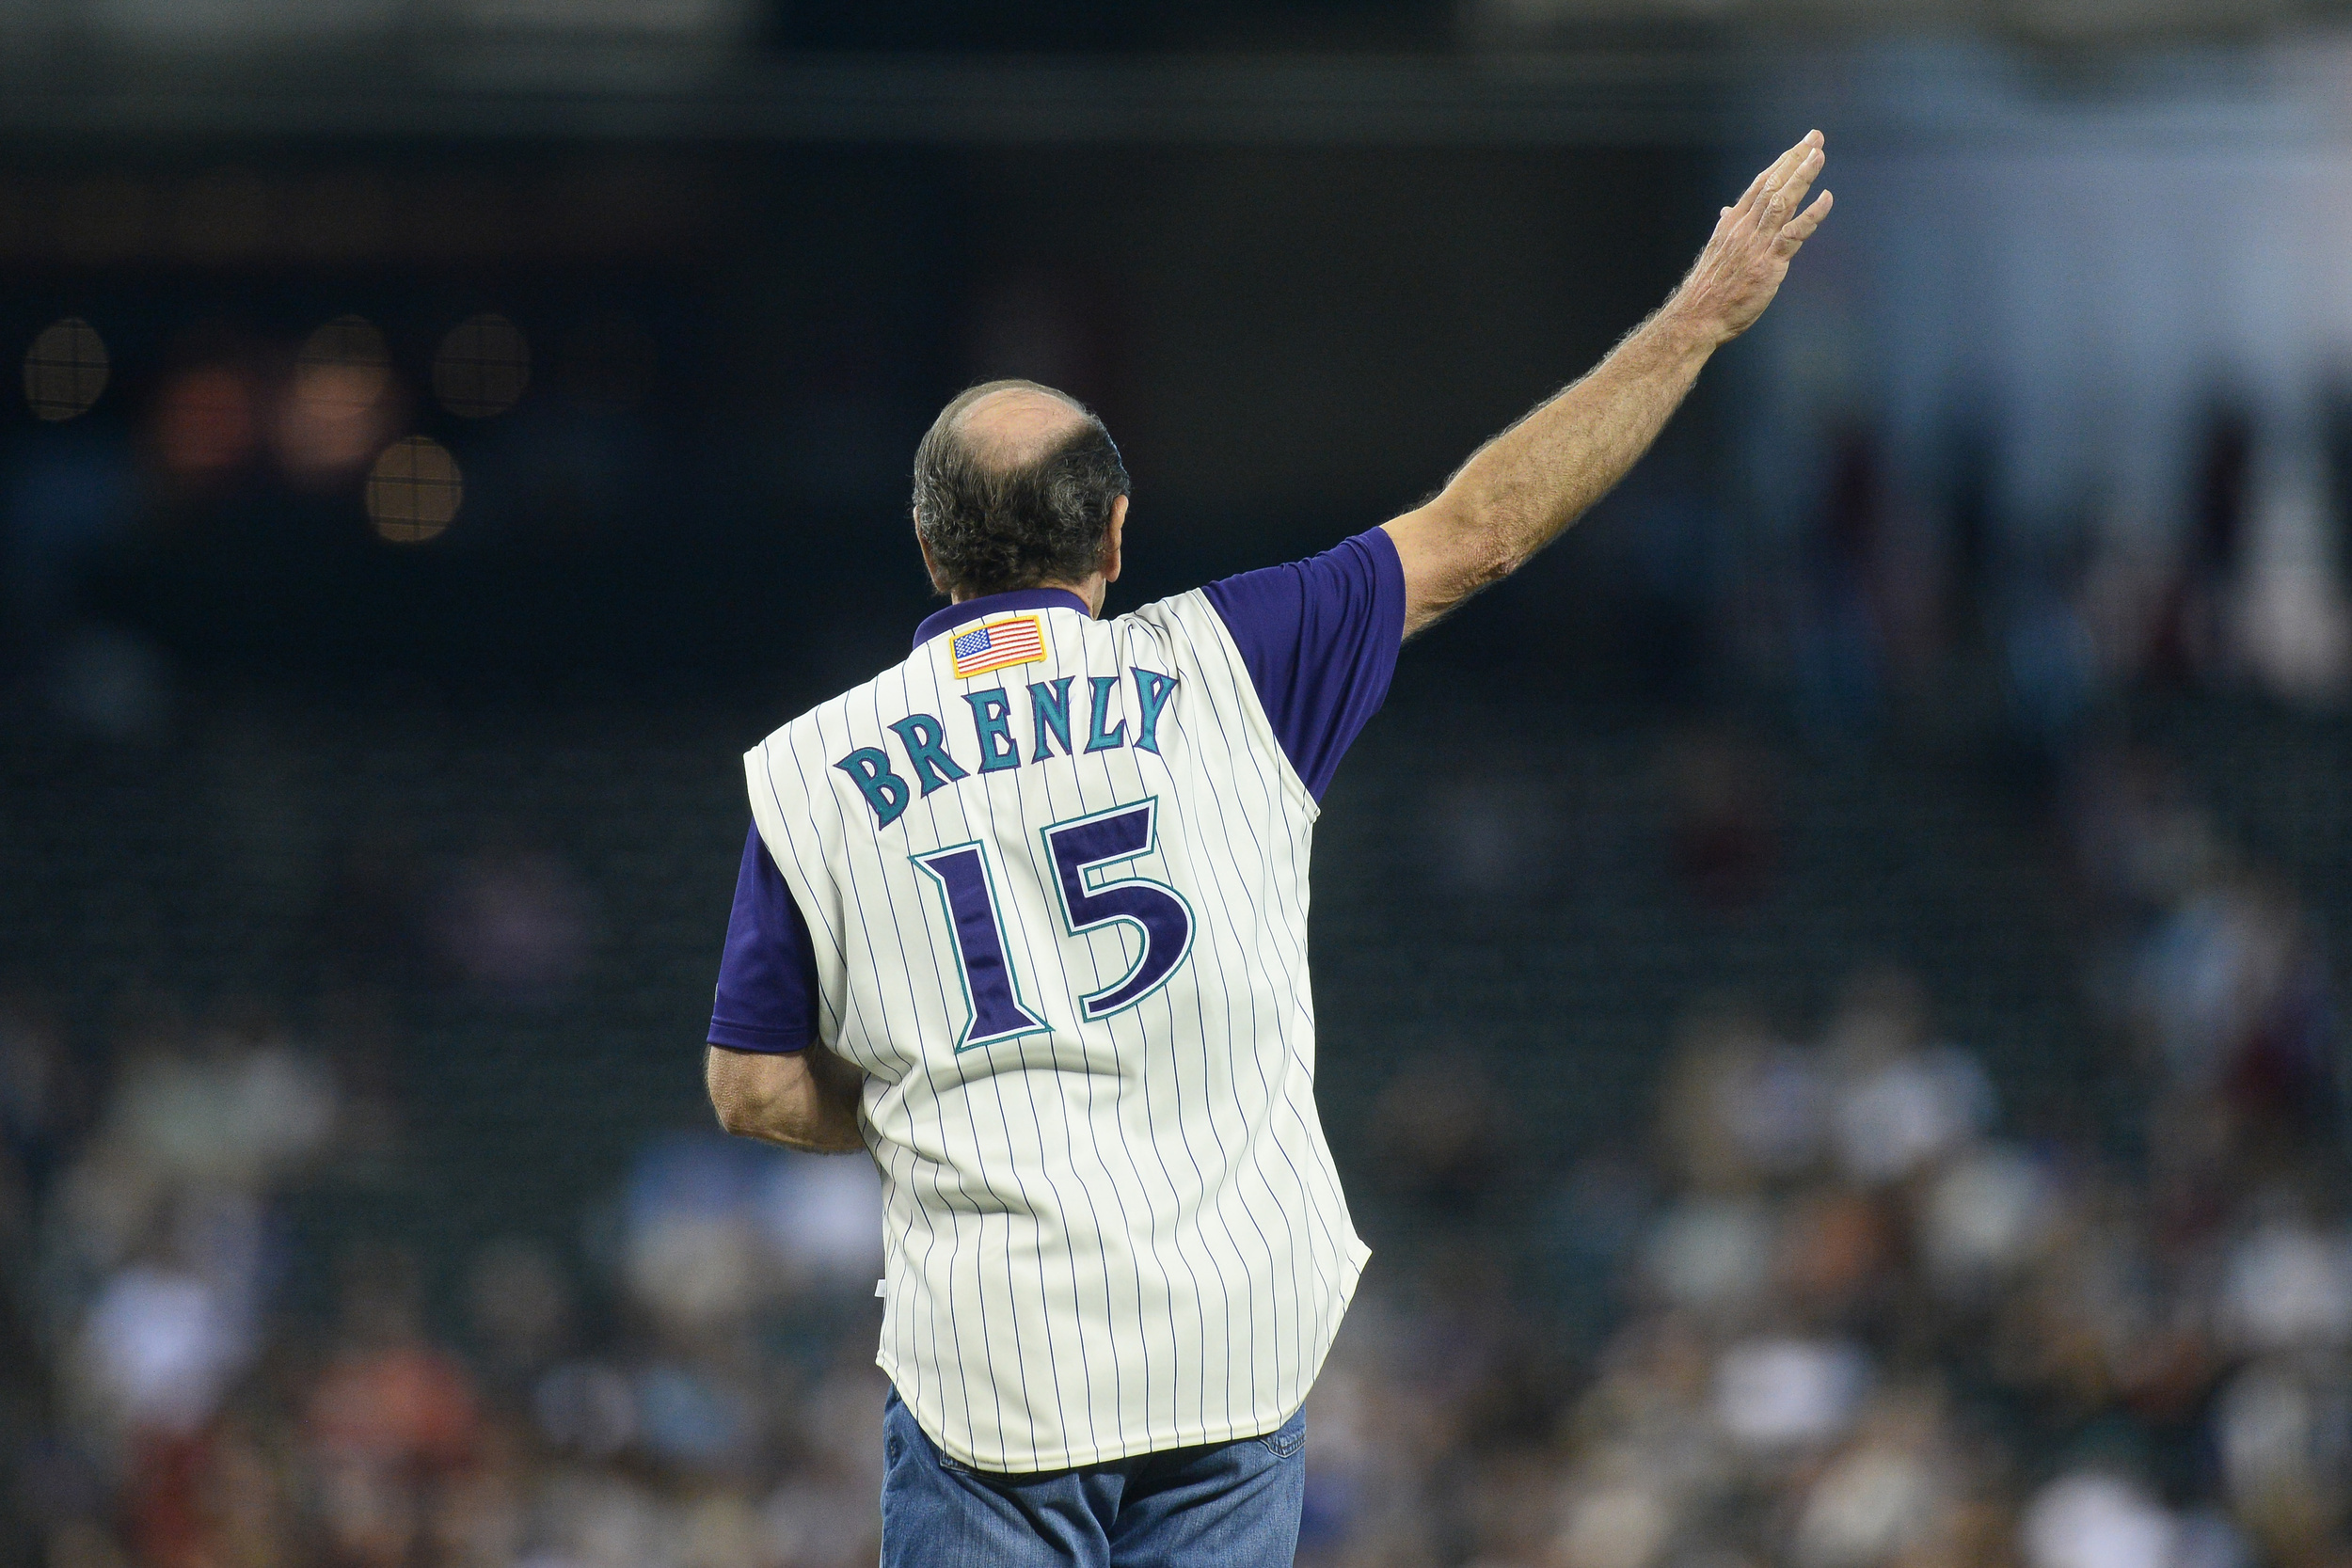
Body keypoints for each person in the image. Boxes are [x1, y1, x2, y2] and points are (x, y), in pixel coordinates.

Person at [703, 132, 1833, 1566]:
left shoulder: (810, 769)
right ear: (1114, 534)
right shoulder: (1234, 660)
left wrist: (936, 1106)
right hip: (1224, 1339)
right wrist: (1694, 323)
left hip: (995, 1362)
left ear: (929, 553)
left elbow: (750, 1090)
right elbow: (1485, 528)